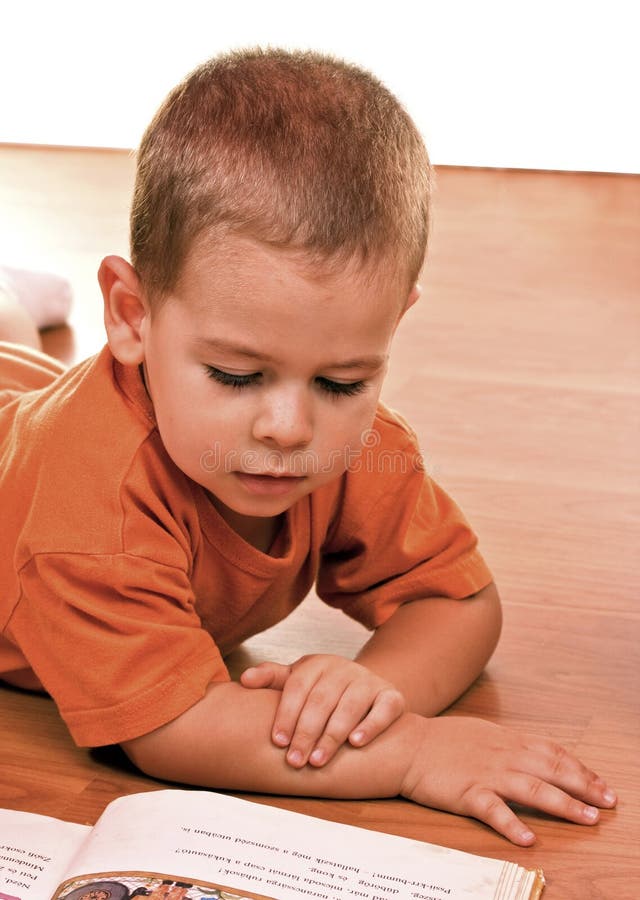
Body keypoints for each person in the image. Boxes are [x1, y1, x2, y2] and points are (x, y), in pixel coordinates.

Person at [0, 48, 616, 846]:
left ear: (395, 323)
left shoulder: (362, 448)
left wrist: (367, 692)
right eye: (234, 374)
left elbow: (458, 600)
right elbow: (171, 729)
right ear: (131, 315)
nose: (290, 430)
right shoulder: (90, 511)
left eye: (341, 382)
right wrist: (409, 750)